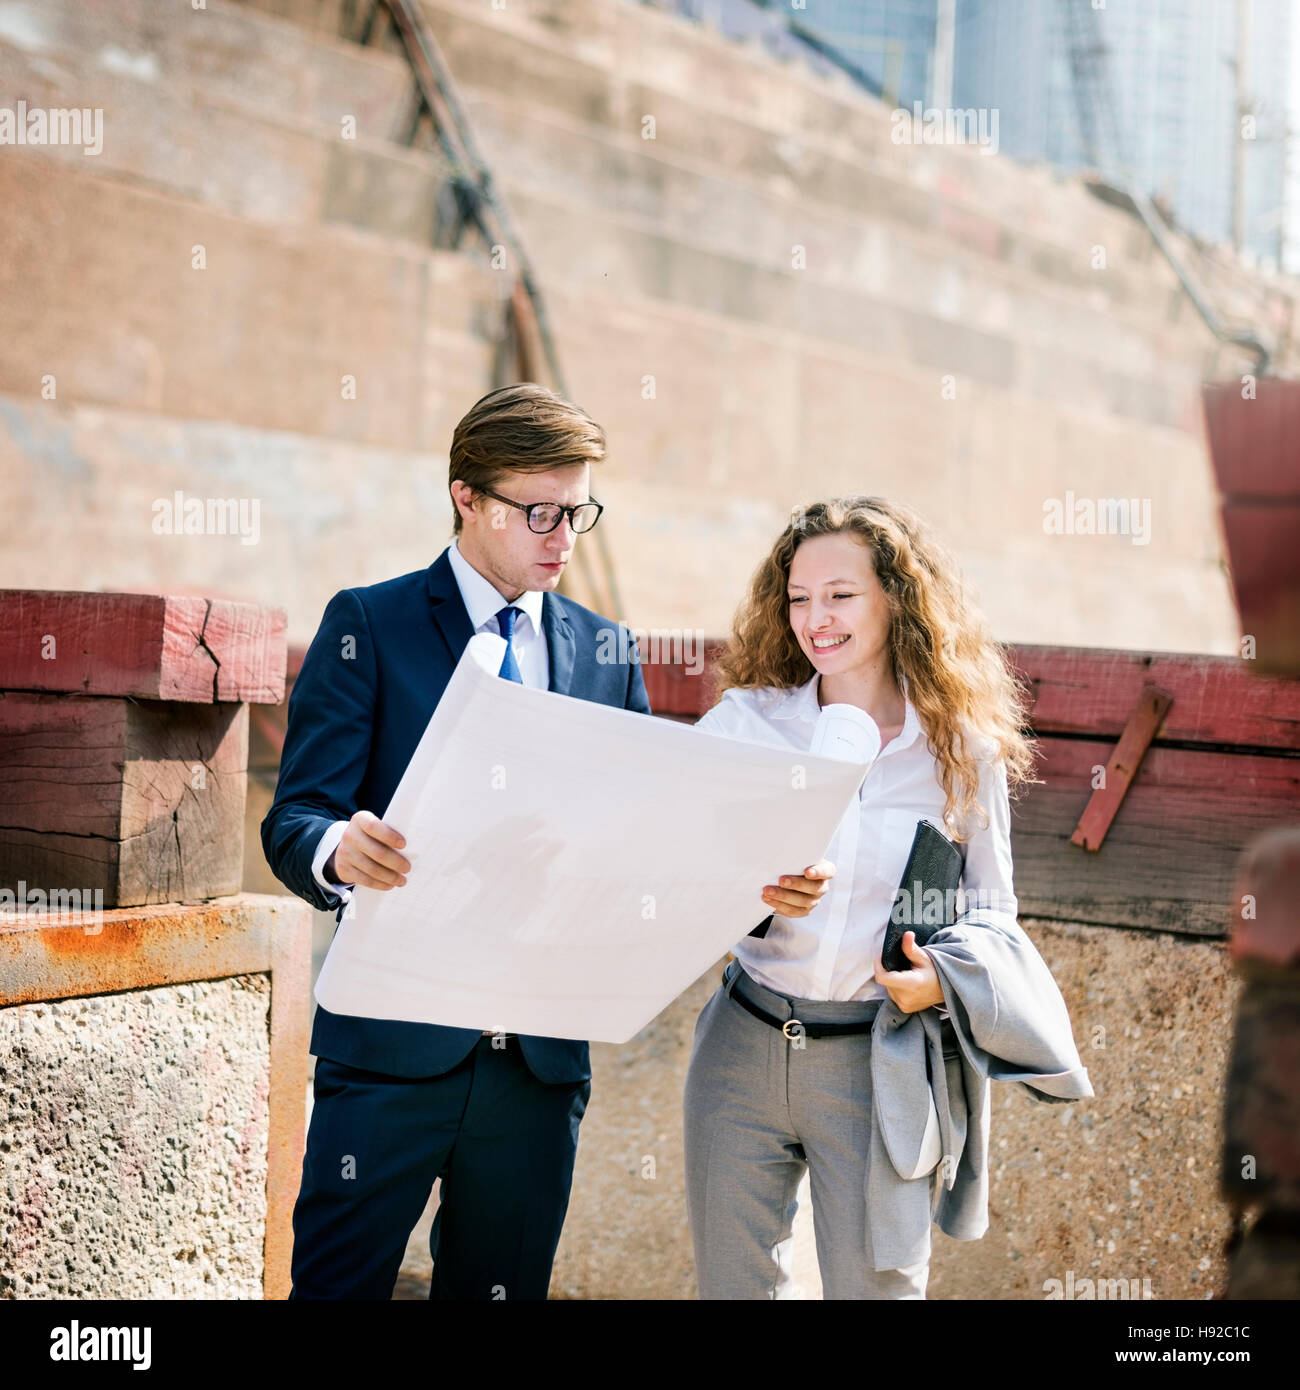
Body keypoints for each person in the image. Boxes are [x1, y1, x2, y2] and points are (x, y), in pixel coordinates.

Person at [260, 382, 831, 1300]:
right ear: (466, 498)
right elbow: (293, 820)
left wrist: (750, 882)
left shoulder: (607, 648)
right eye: (539, 512)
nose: (564, 538)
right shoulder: (370, 623)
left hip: (537, 1065)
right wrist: (339, 850)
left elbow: (650, 839)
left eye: (579, 512)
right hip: (389, 1049)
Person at [684, 494, 1091, 1300]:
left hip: (877, 1060)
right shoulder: (747, 725)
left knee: (881, 1291)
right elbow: (674, 868)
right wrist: (753, 890)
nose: (814, 617)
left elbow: (990, 911)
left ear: (896, 598)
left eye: (840, 594)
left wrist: (943, 979)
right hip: (742, 1042)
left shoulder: (958, 751)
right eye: (798, 597)